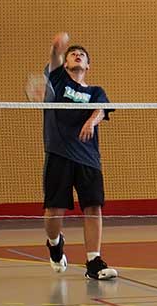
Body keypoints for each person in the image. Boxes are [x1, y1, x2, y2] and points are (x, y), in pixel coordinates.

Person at [32, 32, 118, 280]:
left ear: (88, 65)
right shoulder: (58, 81)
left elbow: (101, 109)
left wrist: (92, 121)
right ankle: (54, 243)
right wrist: (56, 48)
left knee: (93, 207)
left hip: (88, 157)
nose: (77, 55)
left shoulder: (95, 91)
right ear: (66, 63)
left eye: (82, 55)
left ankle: (94, 262)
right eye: (73, 54)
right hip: (59, 153)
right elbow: (55, 56)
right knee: (53, 211)